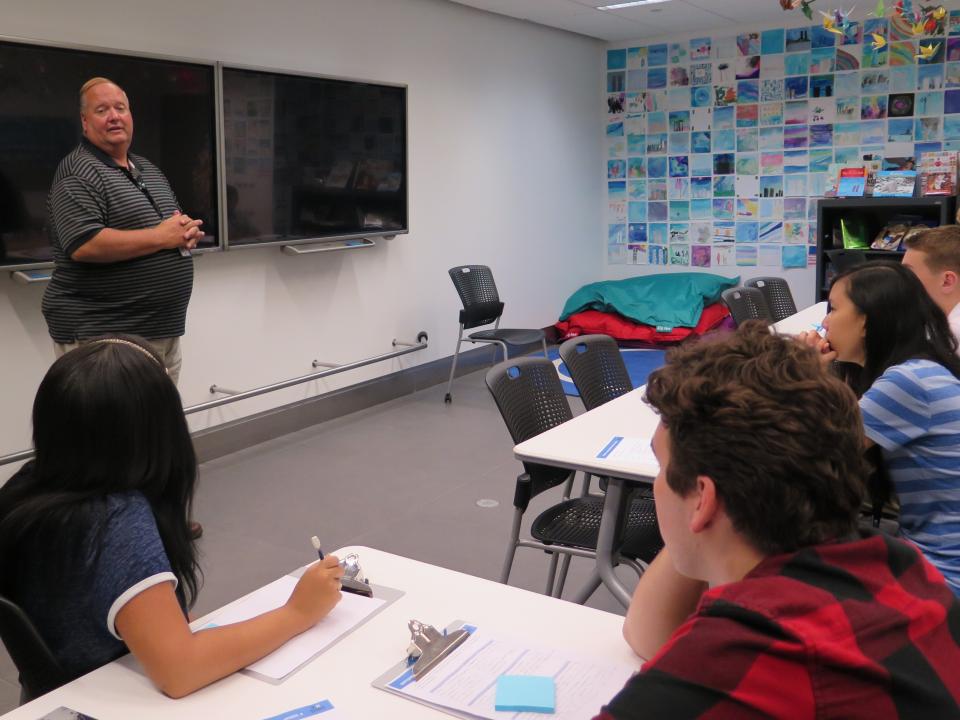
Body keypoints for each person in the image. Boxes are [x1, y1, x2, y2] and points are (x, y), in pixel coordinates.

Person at [594, 323, 960, 720]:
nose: (657, 483)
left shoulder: (741, 653)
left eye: (661, 467)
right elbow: (648, 635)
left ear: (703, 497)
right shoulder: (900, 567)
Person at [0, 337, 344, 699]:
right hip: (112, 699)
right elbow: (181, 672)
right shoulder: (117, 521)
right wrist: (298, 612)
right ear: (157, 432)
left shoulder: (26, 486)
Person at [801, 261, 960, 595]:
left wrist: (803, 374)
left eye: (834, 309)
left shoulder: (906, 382)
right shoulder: (920, 367)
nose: (824, 322)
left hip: (944, 575)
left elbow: (805, 453)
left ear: (866, 321)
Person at [42, 77, 204, 386]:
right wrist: (162, 237)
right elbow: (85, 244)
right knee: (108, 432)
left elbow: (170, 225)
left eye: (121, 108)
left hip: (159, 334)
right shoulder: (77, 171)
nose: (114, 116)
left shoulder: (147, 169)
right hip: (105, 342)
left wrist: (185, 233)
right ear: (85, 122)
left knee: (150, 430)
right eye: (102, 109)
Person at [902, 225, 960, 346]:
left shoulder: (951, 337)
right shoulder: (936, 323)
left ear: (947, 281)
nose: (901, 279)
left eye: (909, 273)